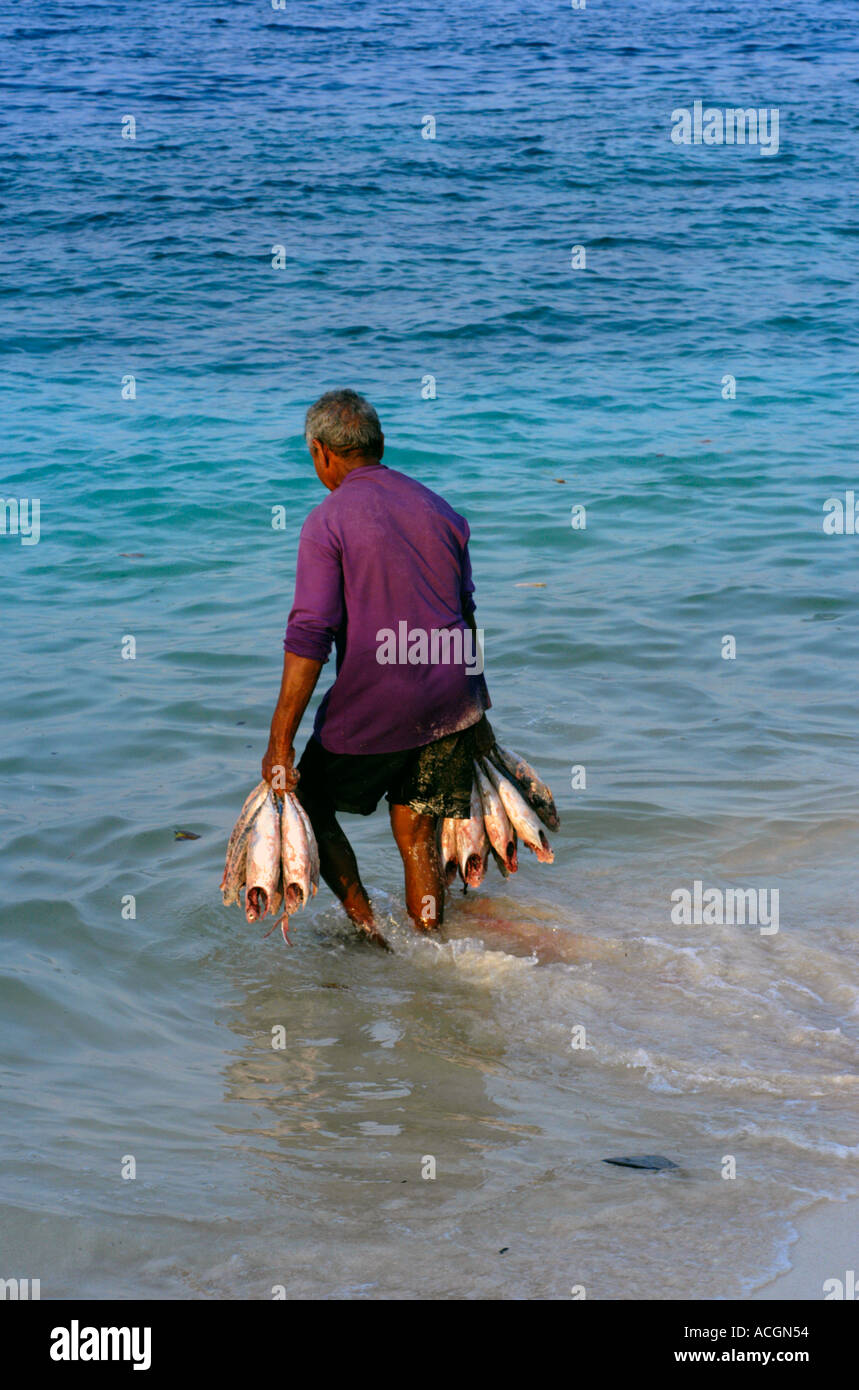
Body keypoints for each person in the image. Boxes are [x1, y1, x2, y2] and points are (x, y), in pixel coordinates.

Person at [262, 389, 493, 948]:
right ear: (379, 444)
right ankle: (431, 943)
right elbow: (464, 614)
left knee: (309, 798)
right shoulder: (442, 510)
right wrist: (477, 707)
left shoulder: (327, 521)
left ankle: (369, 931)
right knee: (416, 829)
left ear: (321, 453)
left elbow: (310, 636)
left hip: (383, 697)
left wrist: (279, 742)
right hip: (451, 695)